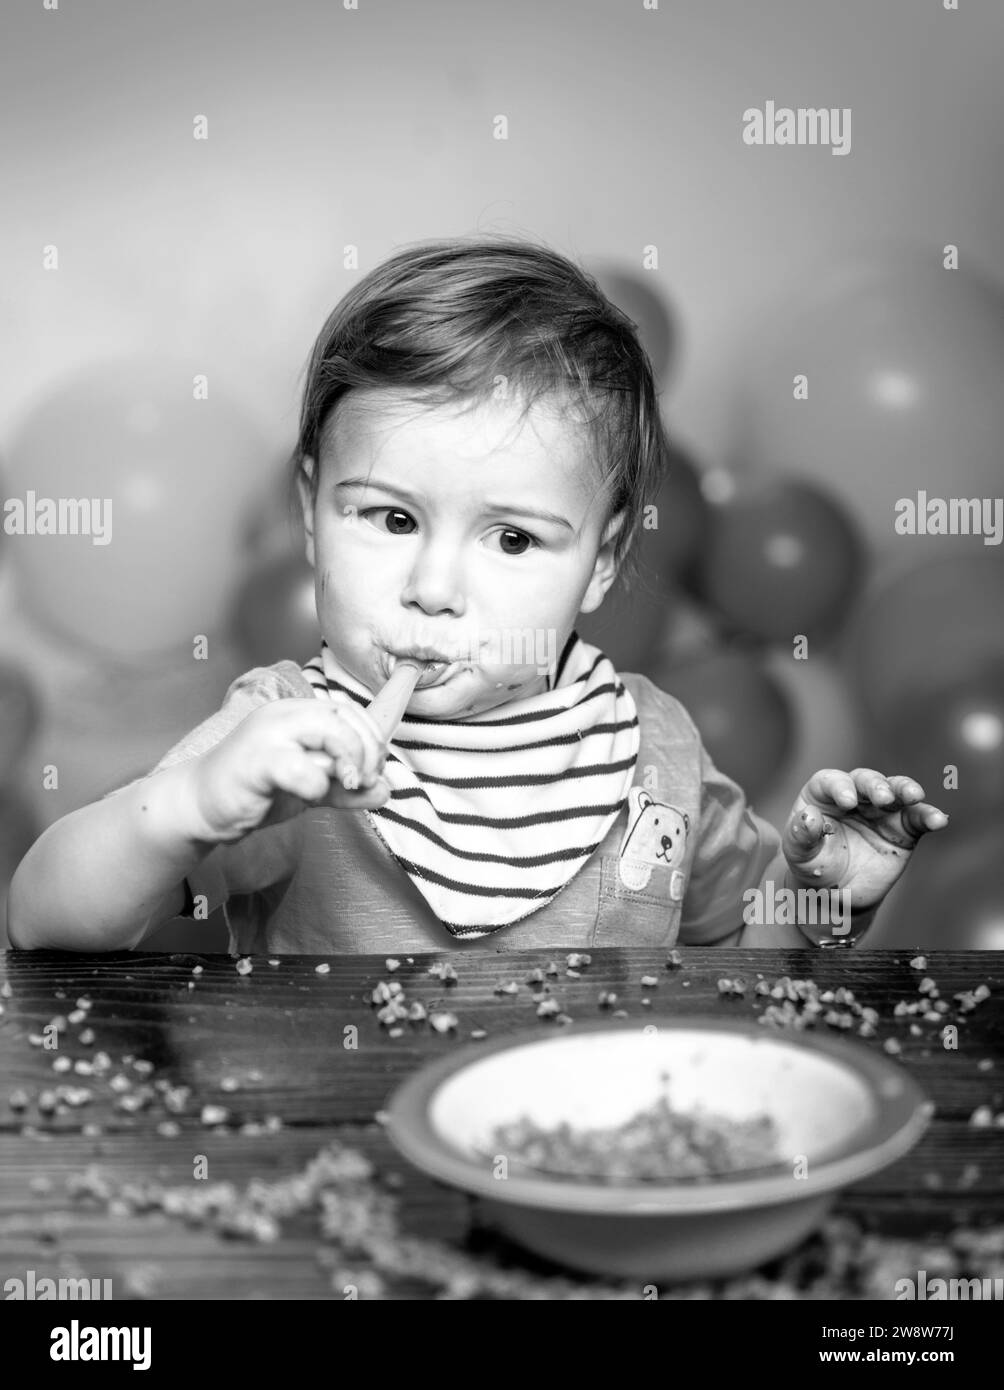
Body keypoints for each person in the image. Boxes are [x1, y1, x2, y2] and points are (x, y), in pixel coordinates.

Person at [7, 236, 948, 955]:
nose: (432, 589)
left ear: (605, 559)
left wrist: (831, 899)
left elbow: (745, 955)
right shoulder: (283, 737)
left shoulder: (658, 749)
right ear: (307, 510)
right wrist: (183, 809)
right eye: (390, 519)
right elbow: (46, 919)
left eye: (510, 538)